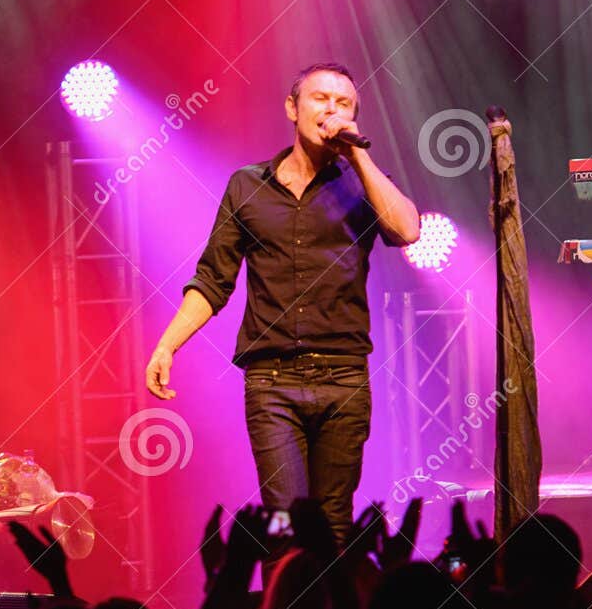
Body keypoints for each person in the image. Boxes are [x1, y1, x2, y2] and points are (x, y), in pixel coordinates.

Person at [145, 63, 420, 544]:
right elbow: (213, 279)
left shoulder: (362, 182)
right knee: (283, 521)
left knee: (334, 522)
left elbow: (407, 231)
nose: (332, 110)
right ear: (293, 108)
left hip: (343, 379)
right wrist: (167, 346)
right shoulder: (246, 186)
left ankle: (331, 595)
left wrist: (358, 156)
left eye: (344, 103)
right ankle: (284, 592)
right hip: (272, 383)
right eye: (321, 99)